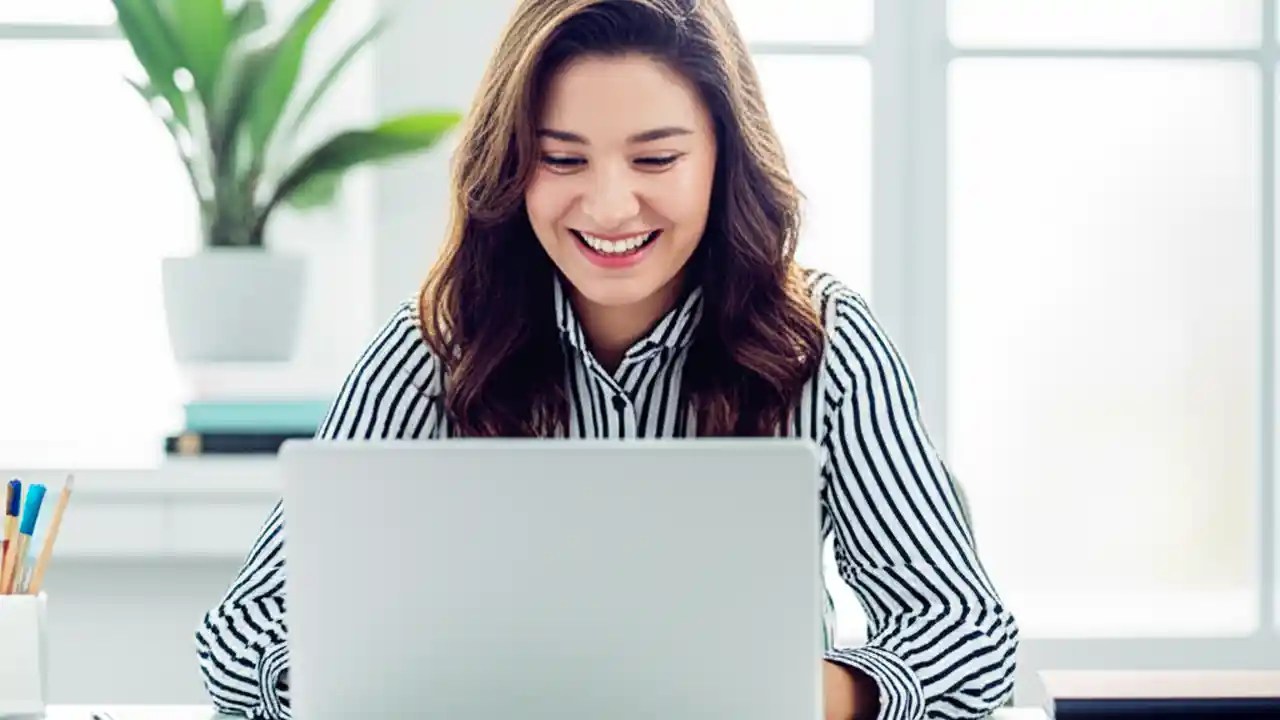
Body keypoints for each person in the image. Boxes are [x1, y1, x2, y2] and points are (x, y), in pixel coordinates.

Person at [194, 1, 1019, 718]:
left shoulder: (824, 341)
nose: (611, 204)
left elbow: (968, 635)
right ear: (512, 166)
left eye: (656, 158)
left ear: (725, 160)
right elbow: (240, 636)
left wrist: (801, 695)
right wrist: (381, 688)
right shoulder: (432, 348)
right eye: (562, 159)